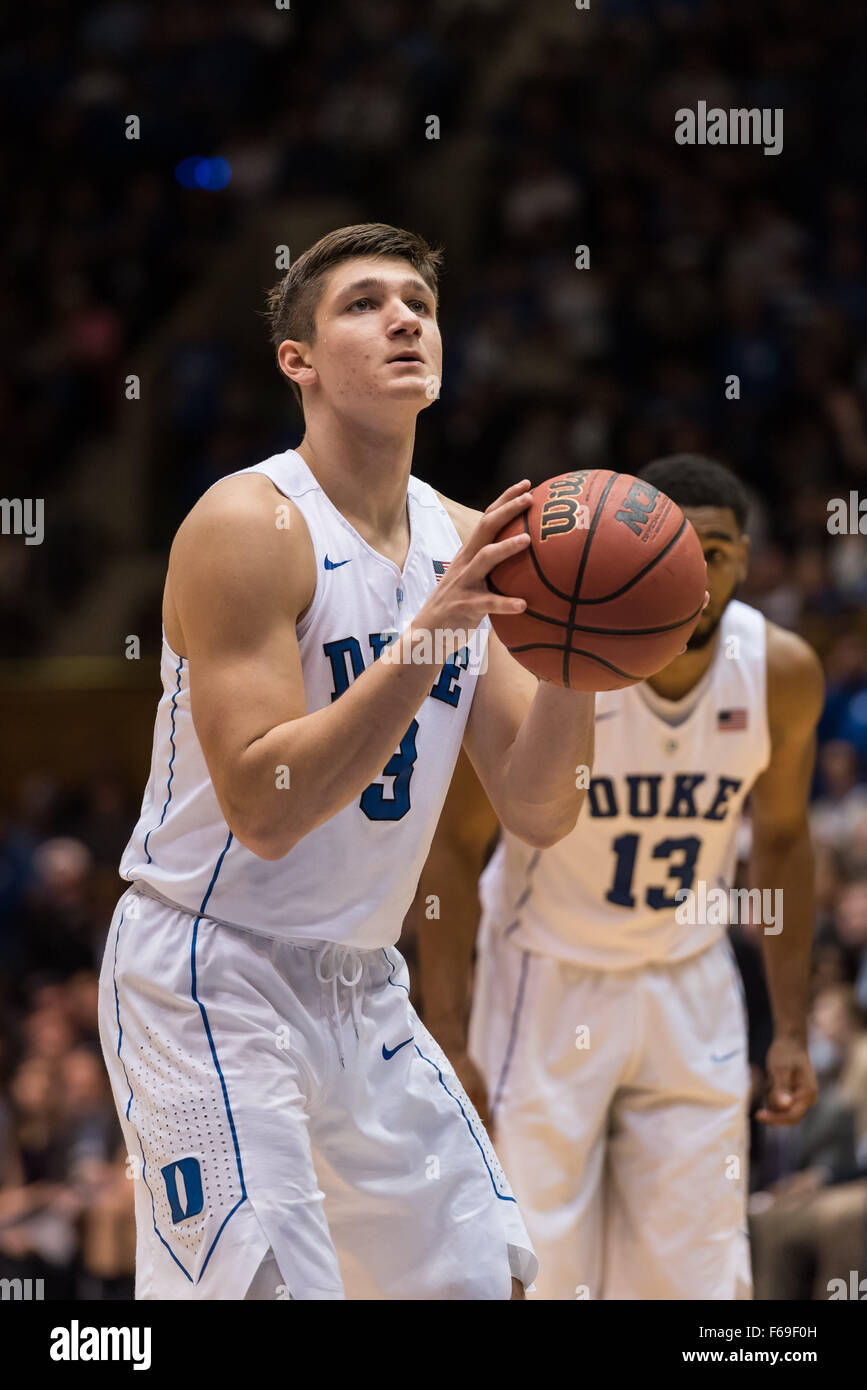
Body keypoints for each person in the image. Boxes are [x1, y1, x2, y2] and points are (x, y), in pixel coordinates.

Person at [97, 222, 596, 1300]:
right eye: (364, 303)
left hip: (361, 981)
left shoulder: (465, 537)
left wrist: (579, 660)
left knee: (484, 1282)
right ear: (300, 360)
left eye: (418, 300)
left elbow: (539, 809)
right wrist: (432, 630)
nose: (405, 317)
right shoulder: (247, 523)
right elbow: (269, 809)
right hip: (209, 969)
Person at [418, 454, 823, 1299]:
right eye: (686, 549)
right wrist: (447, 1035)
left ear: (747, 559)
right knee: (536, 1263)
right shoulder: (550, 663)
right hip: (545, 975)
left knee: (701, 1272)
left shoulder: (778, 671)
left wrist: (788, 1025)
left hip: (689, 978)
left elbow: (782, 845)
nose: (704, 573)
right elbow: (452, 851)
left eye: (720, 552)